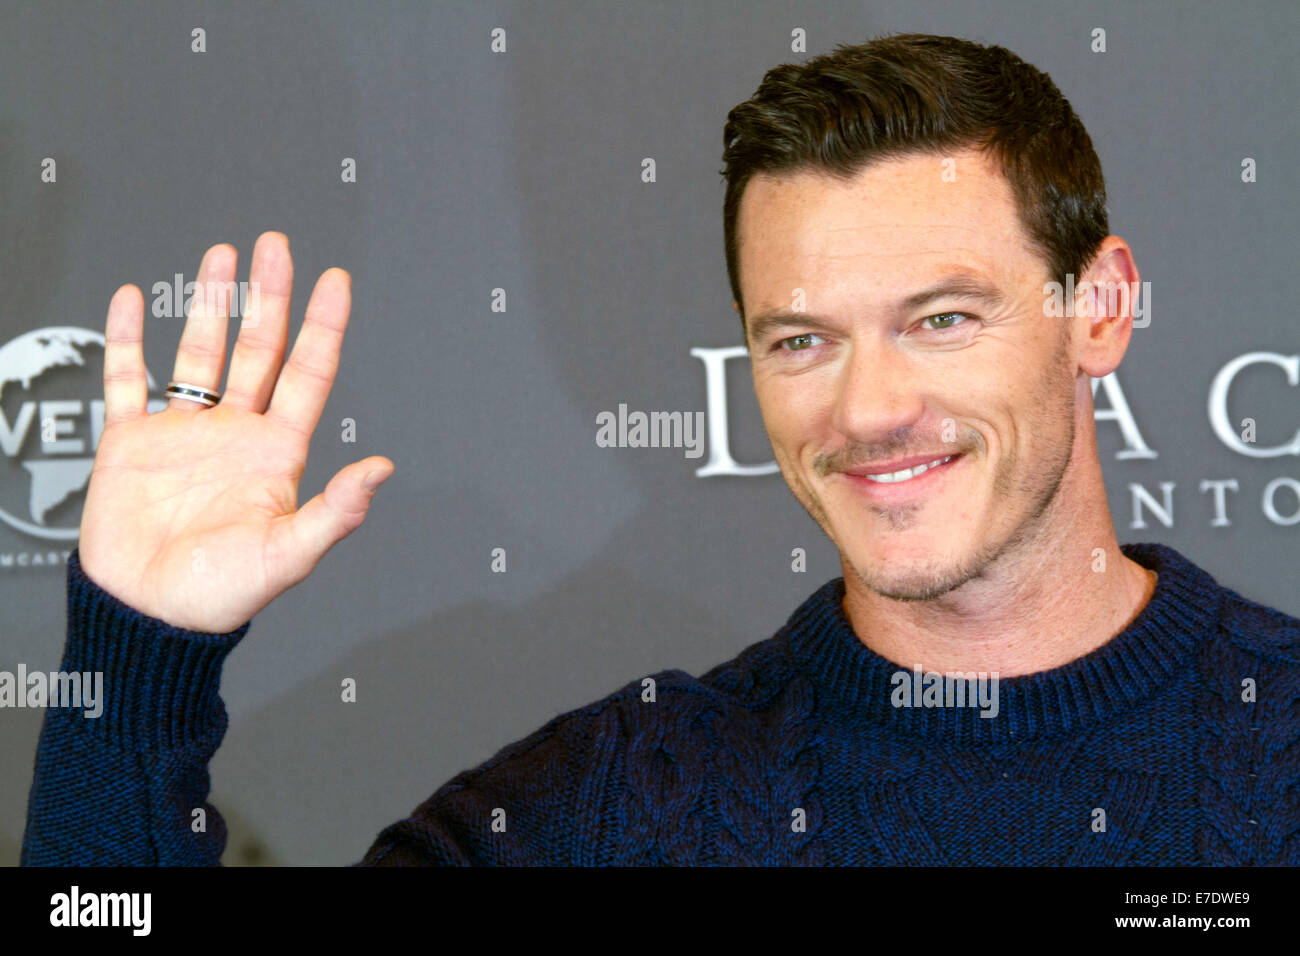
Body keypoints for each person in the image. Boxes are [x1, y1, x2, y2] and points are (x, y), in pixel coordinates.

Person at [23, 33, 1300, 866]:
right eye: (801, 340)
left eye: (942, 319)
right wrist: (137, 655)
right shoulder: (625, 798)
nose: (867, 408)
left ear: (1101, 306)